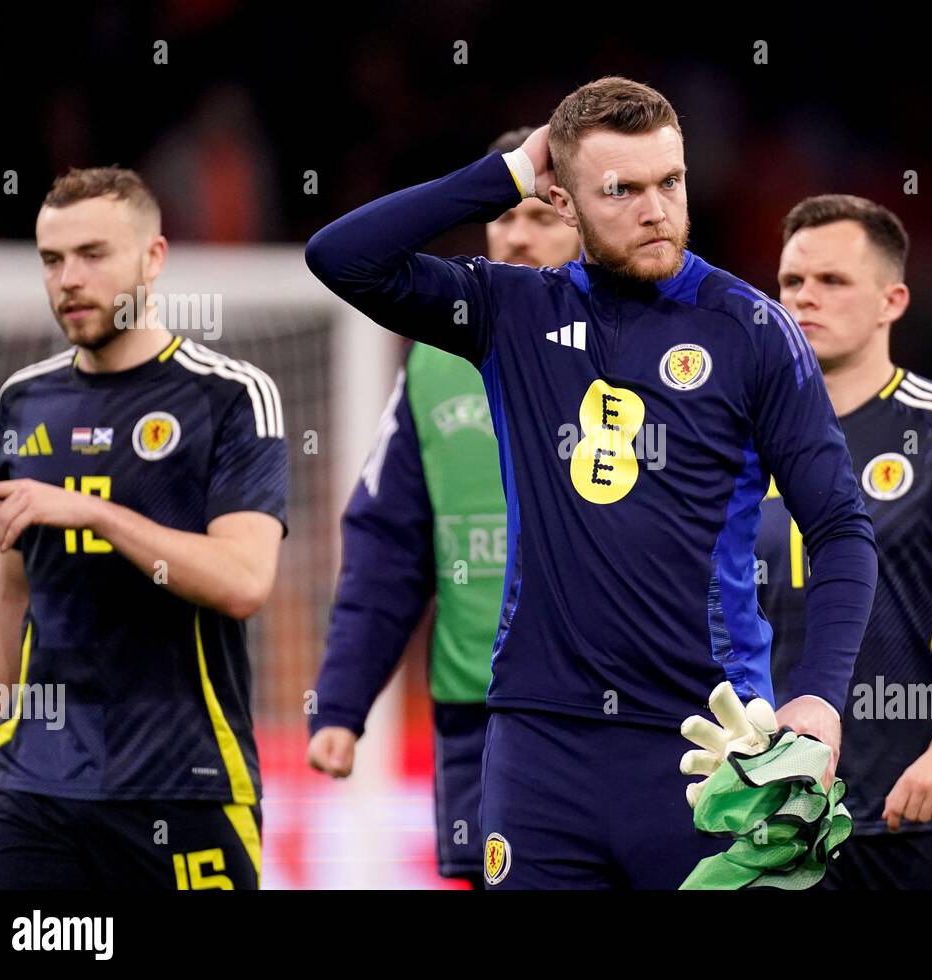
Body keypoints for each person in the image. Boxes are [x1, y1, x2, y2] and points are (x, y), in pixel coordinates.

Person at [305, 76, 877, 889]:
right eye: (622, 190)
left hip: (707, 748)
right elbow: (341, 257)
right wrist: (503, 173)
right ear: (564, 205)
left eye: (669, 183)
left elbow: (841, 531)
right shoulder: (511, 312)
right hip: (539, 747)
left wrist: (818, 698)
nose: (656, 210)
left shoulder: (751, 329)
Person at [0, 167, 287, 889]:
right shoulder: (25, 401)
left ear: (154, 258)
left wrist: (97, 513)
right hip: (36, 789)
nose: (68, 279)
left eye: (93, 254)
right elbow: (9, 600)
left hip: (186, 784)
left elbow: (243, 582)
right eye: (52, 260)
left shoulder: (231, 397)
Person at [306, 127, 580, 888]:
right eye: (507, 214)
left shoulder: (639, 350)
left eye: (544, 215)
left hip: (609, 706)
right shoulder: (436, 357)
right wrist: (340, 702)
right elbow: (389, 544)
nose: (517, 236)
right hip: (477, 713)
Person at [760, 194, 932, 888]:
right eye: (793, 282)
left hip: (922, 807)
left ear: (892, 300)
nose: (805, 299)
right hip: (774, 817)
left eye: (832, 282)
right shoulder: (741, 437)